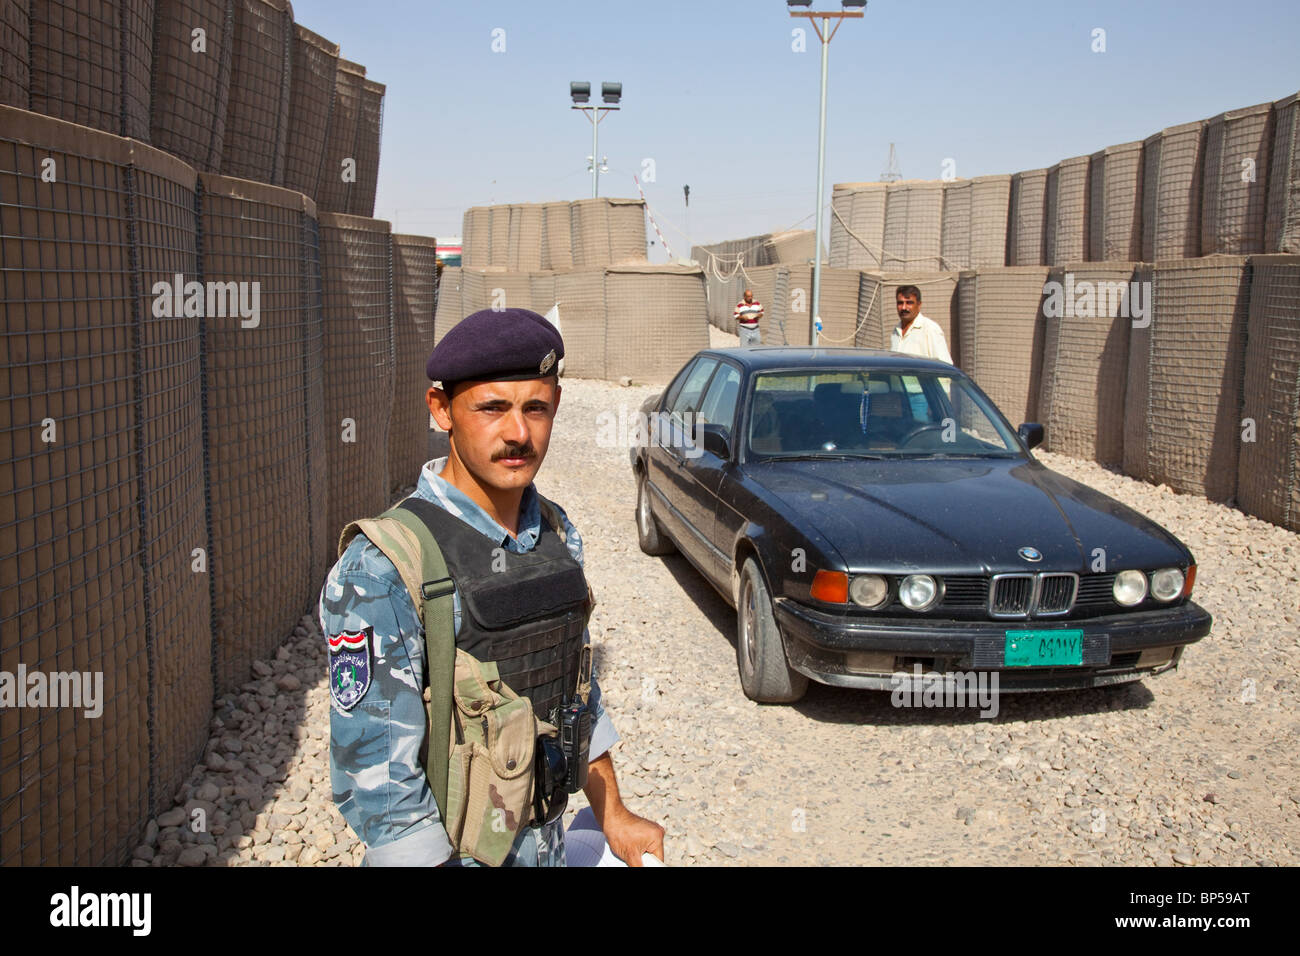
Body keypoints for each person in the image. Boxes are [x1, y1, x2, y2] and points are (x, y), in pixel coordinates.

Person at [321, 307, 665, 867]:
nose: (518, 434)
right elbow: (383, 788)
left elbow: (575, 690)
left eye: (536, 408)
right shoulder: (384, 569)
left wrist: (613, 814)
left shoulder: (555, 533)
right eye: (493, 408)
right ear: (441, 411)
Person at [889, 285, 952, 420]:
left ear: (919, 304)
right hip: (900, 395)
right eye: (900, 303)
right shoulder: (896, 330)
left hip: (921, 396)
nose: (904, 307)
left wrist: (939, 402)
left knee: (922, 434)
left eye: (909, 303)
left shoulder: (930, 329)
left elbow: (944, 364)